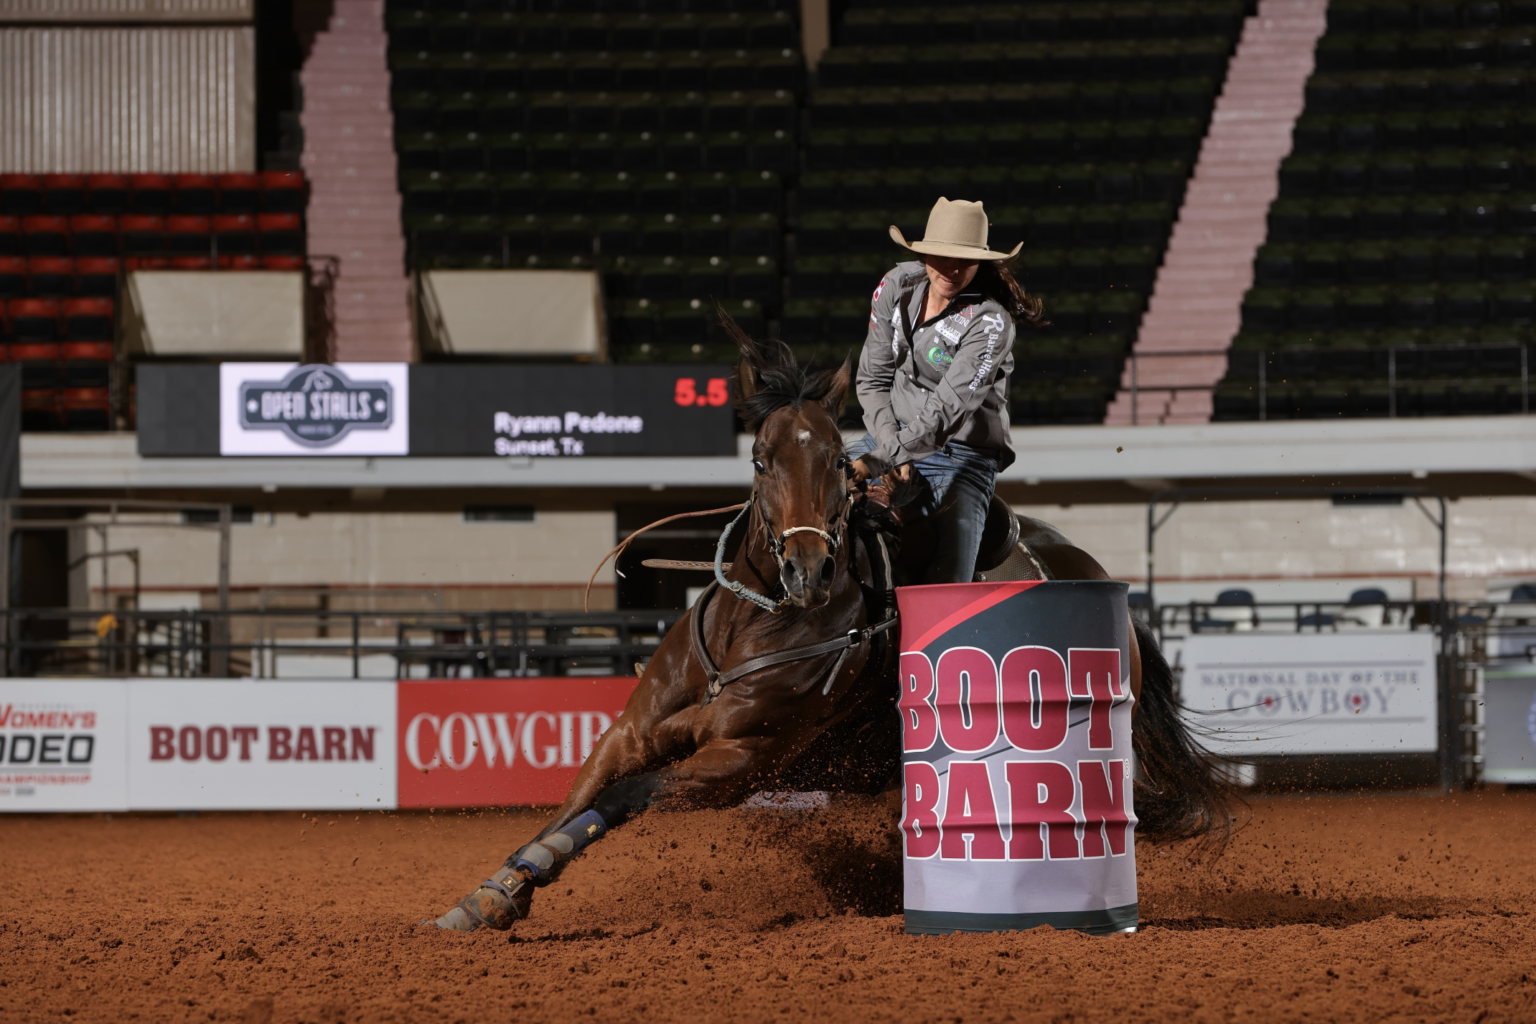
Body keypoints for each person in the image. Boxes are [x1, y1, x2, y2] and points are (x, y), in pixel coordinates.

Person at [848, 197, 1046, 585]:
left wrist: (879, 461)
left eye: (966, 260)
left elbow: (945, 415)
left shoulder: (991, 322)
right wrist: (891, 448)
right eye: (942, 256)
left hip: (962, 457)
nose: (953, 268)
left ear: (981, 263)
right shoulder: (895, 285)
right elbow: (872, 380)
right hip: (887, 437)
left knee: (950, 578)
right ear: (923, 254)